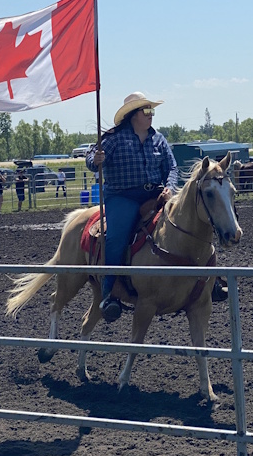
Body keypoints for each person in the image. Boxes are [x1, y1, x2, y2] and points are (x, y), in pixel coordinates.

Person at [87, 92, 220, 324]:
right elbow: (91, 157)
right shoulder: (114, 138)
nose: (151, 115)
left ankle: (210, 280)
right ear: (133, 115)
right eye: (146, 111)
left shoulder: (158, 139)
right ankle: (108, 293)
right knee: (117, 237)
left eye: (152, 111)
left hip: (155, 194)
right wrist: (95, 160)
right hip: (123, 196)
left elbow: (172, 167)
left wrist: (169, 187)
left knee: (190, 223)